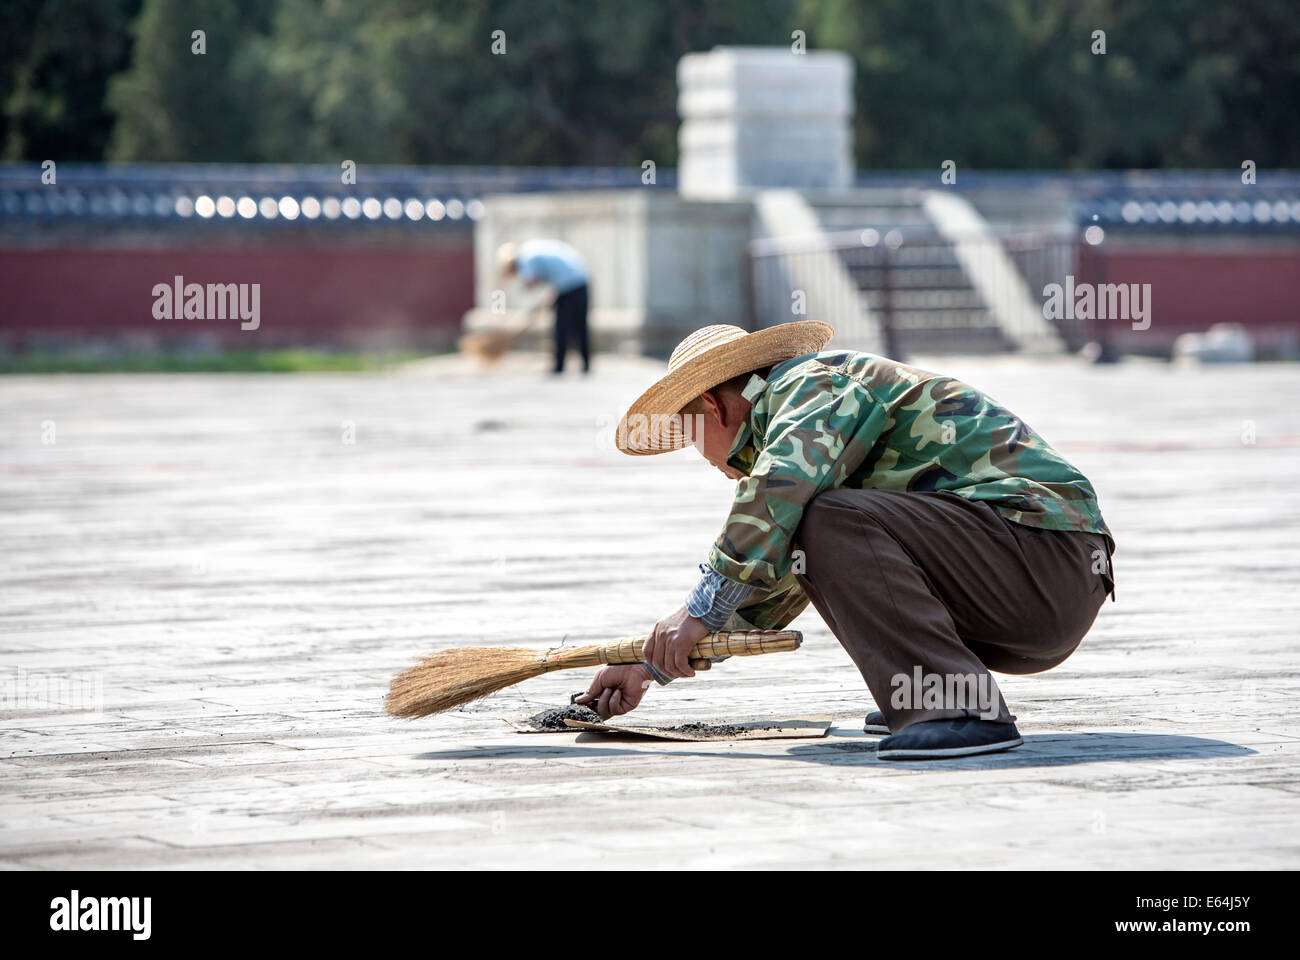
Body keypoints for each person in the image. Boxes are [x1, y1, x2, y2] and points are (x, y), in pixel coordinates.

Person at [577, 321, 1116, 760]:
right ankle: (927, 691)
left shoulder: (813, 383)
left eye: (694, 439)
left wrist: (696, 610)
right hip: (1029, 586)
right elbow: (783, 572)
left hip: (1046, 561)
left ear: (714, 409)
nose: (709, 462)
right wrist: (649, 663)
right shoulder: (803, 416)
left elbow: (778, 493)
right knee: (815, 525)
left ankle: (956, 709)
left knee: (820, 516)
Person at [496, 239, 590, 374]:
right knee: (579, 325)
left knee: (562, 327)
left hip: (570, 285)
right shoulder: (530, 250)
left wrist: (528, 296)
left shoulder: (525, 260)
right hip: (580, 279)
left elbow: (532, 282)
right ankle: (585, 364)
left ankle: (559, 366)